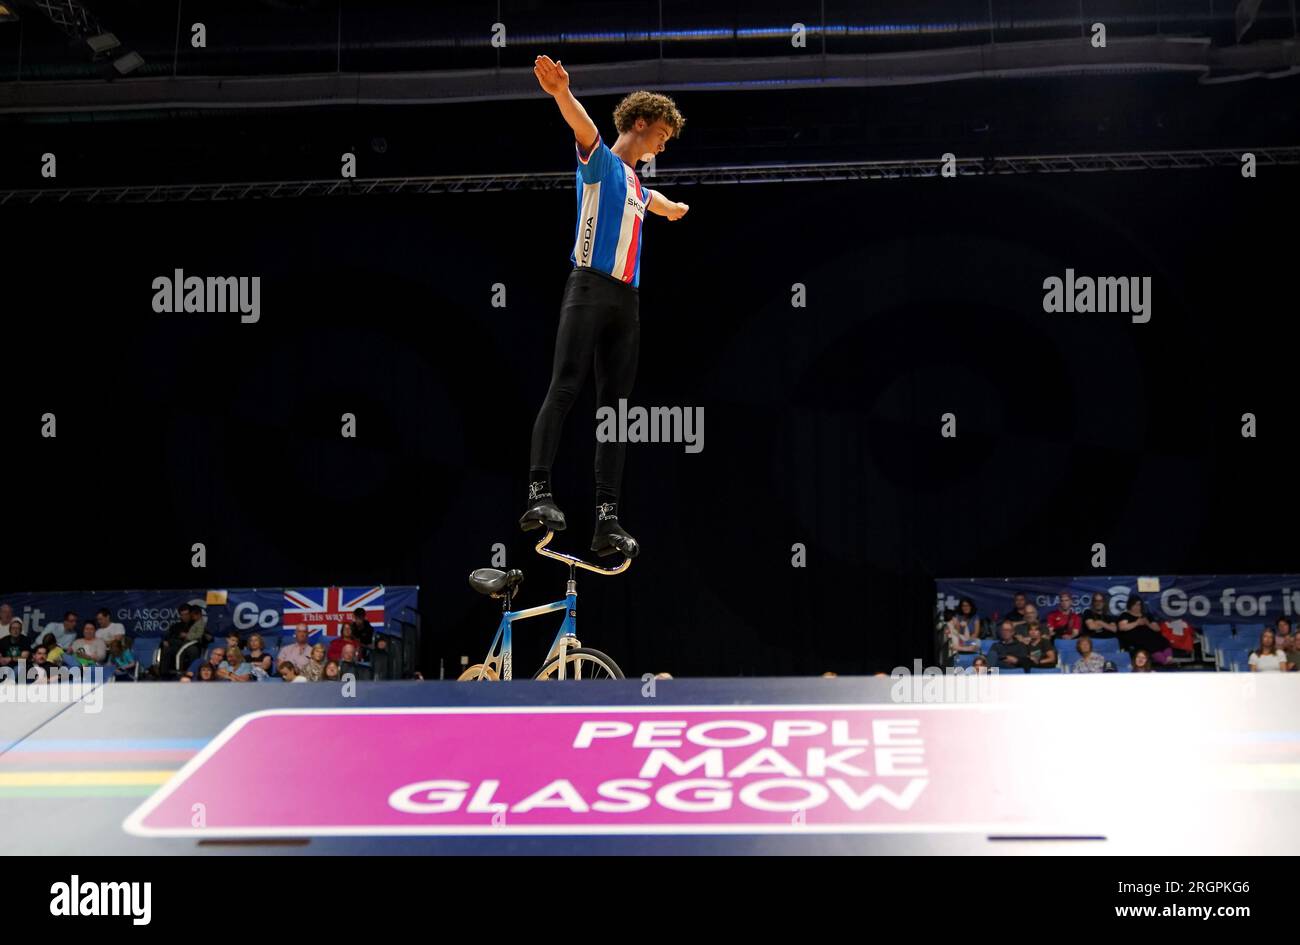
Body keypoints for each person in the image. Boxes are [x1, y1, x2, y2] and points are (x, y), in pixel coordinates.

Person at [517, 55, 690, 560]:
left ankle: (606, 520)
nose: (663, 144)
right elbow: (585, 126)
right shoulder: (601, 164)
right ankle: (538, 493)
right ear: (640, 122)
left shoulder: (637, 185)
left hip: (625, 303)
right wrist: (561, 94)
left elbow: (652, 199)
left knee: (616, 412)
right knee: (566, 386)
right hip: (589, 287)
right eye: (661, 134)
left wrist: (673, 208)